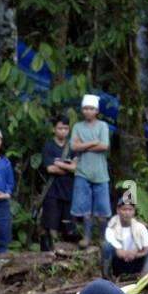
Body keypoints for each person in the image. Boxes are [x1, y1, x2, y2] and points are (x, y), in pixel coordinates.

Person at [69, 95, 112, 248]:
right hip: (82, 171)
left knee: (103, 207)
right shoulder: (77, 127)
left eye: (91, 109)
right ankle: (86, 238)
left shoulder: (103, 126)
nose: (88, 111)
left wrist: (83, 145)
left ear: (97, 111)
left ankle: (102, 238)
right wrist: (94, 142)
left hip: (100, 173)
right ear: (82, 110)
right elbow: (73, 147)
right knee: (84, 207)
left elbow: (104, 146)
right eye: (86, 108)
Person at [39, 116, 77, 250]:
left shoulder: (72, 147)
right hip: (52, 192)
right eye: (60, 128)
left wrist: (59, 164)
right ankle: (46, 256)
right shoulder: (48, 146)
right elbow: (50, 168)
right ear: (54, 129)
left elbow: (76, 168)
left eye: (66, 128)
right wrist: (67, 168)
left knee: (68, 227)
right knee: (49, 226)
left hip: (69, 192)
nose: (63, 131)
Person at [101, 198, 148, 280]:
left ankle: (145, 277)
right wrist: (125, 253)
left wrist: (135, 254)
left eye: (130, 210)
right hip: (119, 263)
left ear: (134, 211)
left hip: (136, 261)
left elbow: (146, 249)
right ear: (118, 210)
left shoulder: (140, 227)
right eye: (124, 209)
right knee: (106, 247)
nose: (127, 213)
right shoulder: (111, 228)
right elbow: (117, 250)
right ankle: (107, 278)